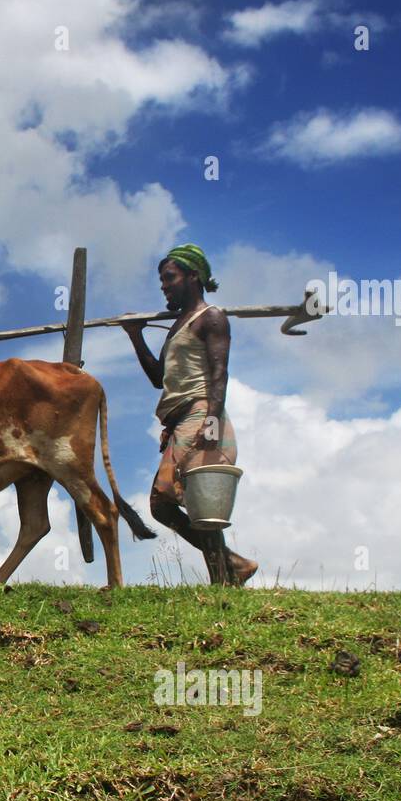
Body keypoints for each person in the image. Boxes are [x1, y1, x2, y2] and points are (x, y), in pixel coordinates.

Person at [123, 243, 258, 586]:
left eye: (170, 278)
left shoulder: (210, 318)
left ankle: (226, 572)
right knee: (180, 503)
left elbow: (218, 374)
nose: (164, 286)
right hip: (180, 418)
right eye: (162, 281)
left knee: (172, 500)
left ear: (193, 276)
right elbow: (159, 379)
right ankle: (230, 569)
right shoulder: (178, 325)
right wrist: (135, 336)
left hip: (201, 414)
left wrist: (211, 421)